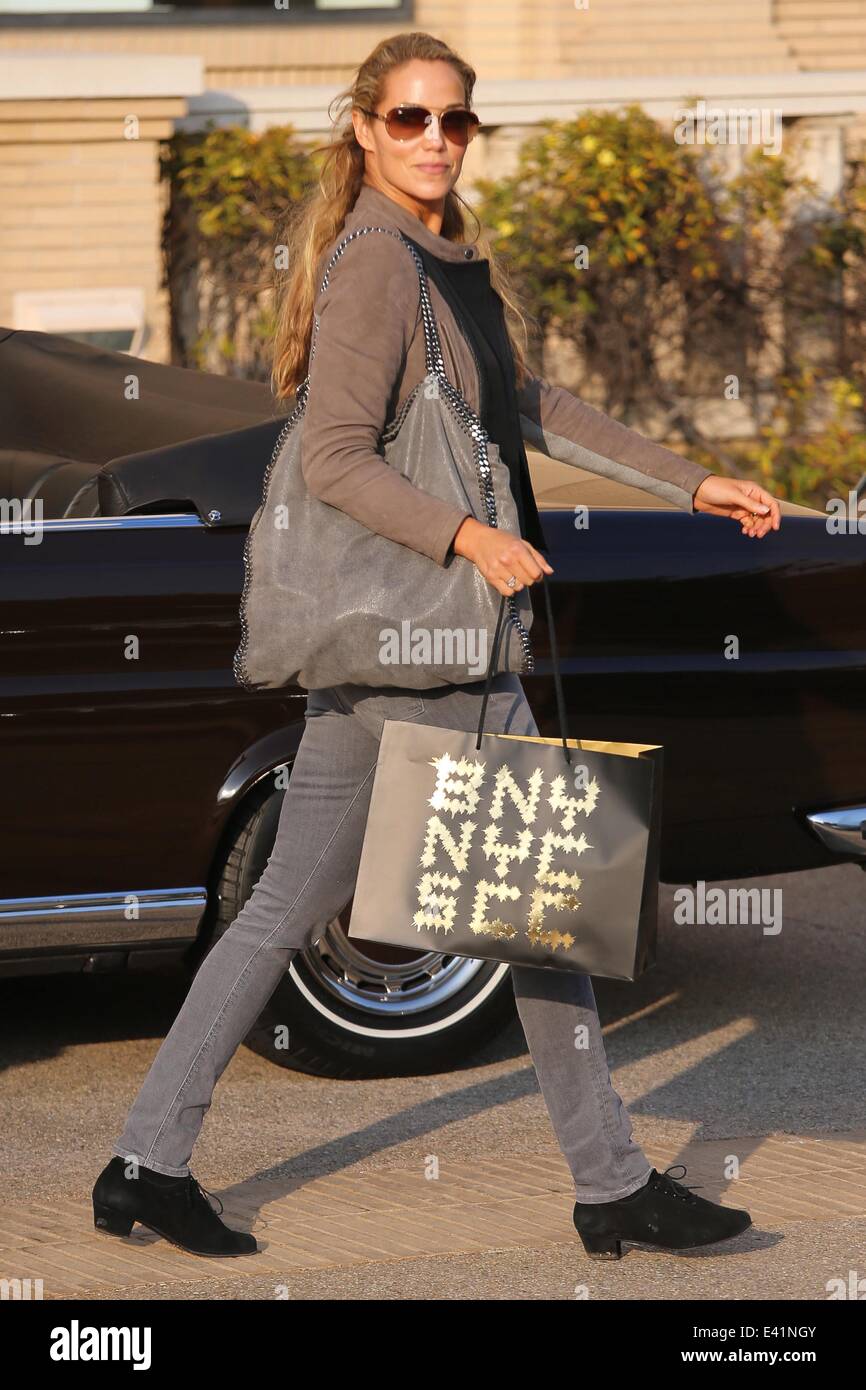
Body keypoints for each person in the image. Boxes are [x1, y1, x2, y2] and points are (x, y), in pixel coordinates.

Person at [92, 30, 780, 1264]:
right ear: (364, 126)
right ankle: (612, 1185)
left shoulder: (439, 255)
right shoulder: (373, 262)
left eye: (453, 121)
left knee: (315, 913)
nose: (433, 141)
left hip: (405, 653)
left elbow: (527, 404)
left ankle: (145, 1161)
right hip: (430, 641)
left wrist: (689, 482)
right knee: (536, 912)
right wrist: (472, 536)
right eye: (408, 120)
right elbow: (334, 458)